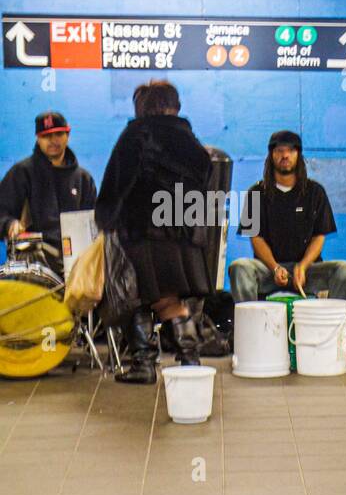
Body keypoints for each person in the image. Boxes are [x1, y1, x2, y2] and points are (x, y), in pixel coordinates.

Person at [95, 80, 213, 382]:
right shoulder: (191, 141)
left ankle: (144, 365)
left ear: (143, 106)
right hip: (182, 235)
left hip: (142, 231)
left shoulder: (137, 134)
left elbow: (116, 182)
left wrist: (107, 220)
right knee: (170, 299)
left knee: (135, 295)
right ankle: (190, 360)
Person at [228, 131, 346, 307]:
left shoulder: (315, 192)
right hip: (268, 270)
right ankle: (249, 326)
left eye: (290, 150)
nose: (285, 155)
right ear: (271, 155)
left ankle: (340, 329)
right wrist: (275, 268)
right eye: (279, 150)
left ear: (298, 155)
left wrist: (302, 266)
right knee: (239, 267)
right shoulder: (255, 193)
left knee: (345, 270)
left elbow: (319, 237)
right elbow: (255, 238)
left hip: (306, 271)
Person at [0, 111, 97, 270]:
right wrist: (10, 225)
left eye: (58, 134)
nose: (53, 140)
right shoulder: (21, 173)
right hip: (33, 264)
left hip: (79, 267)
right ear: (38, 138)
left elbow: (94, 224)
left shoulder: (84, 179)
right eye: (46, 136)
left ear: (68, 134)